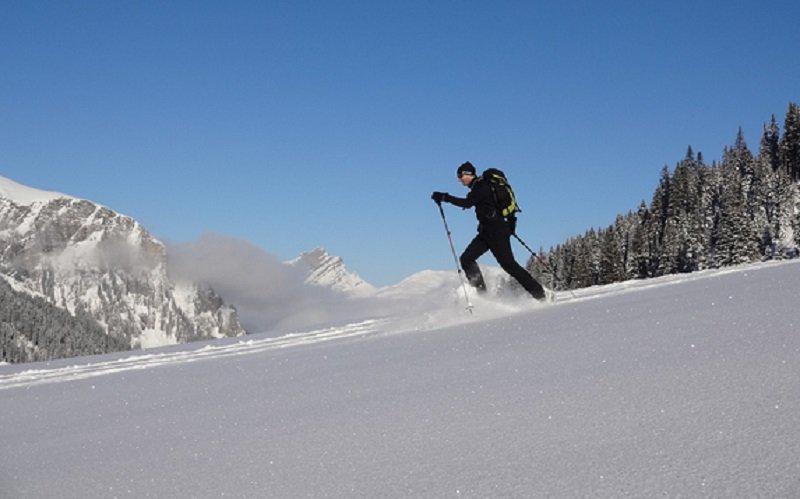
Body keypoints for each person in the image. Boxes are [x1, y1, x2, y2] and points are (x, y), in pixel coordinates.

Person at [431, 161, 548, 301]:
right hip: (487, 232)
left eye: (460, 176)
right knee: (467, 259)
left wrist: (445, 197)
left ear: (468, 174)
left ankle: (540, 294)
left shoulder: (481, 186)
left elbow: (467, 203)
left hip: (496, 231)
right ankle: (482, 295)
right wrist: (511, 224)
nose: (459, 179)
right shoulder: (479, 187)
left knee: (509, 265)